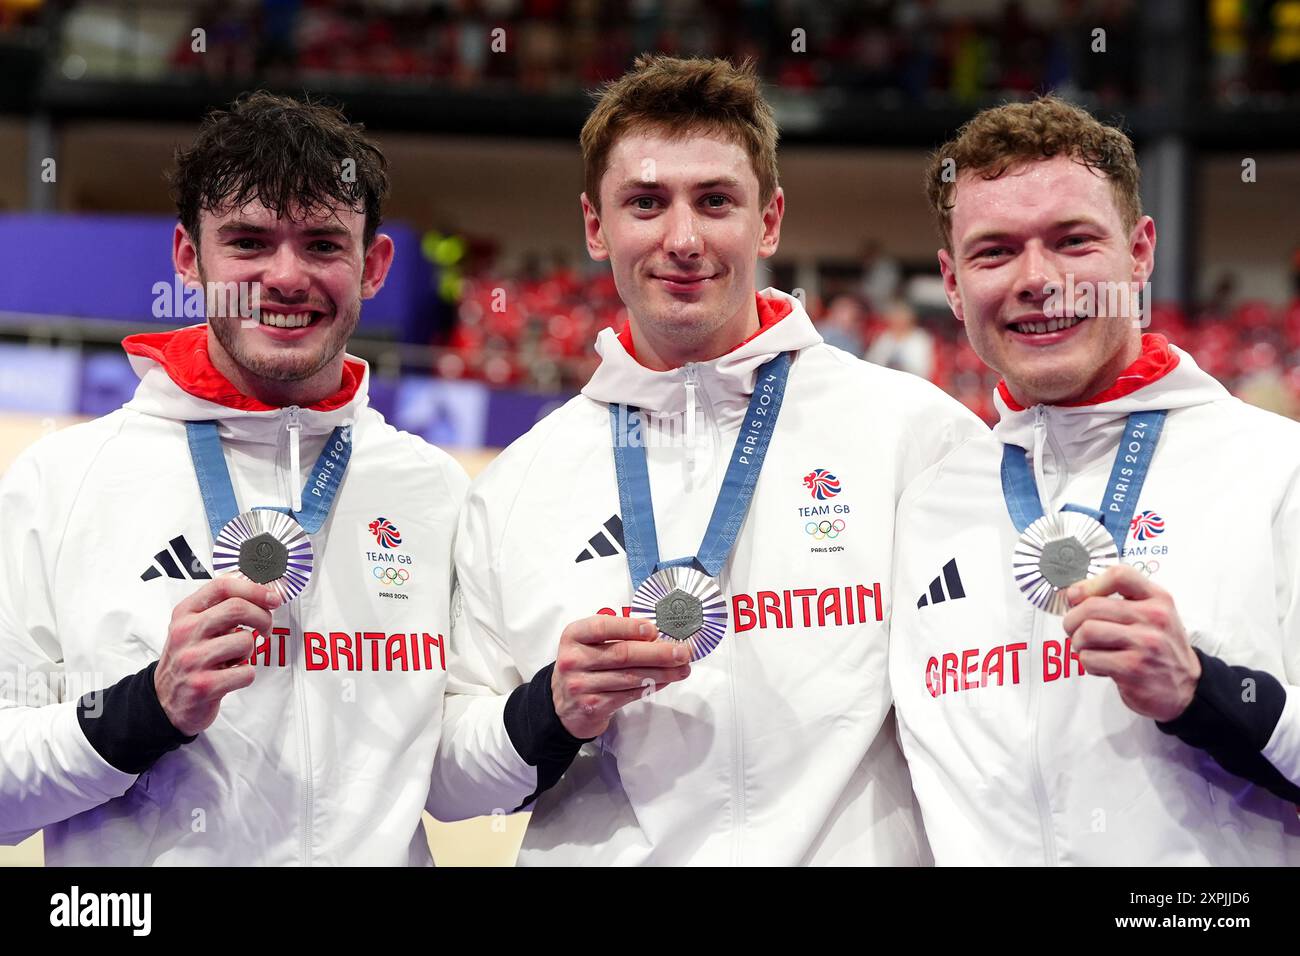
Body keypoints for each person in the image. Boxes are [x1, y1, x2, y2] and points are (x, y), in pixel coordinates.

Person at [430, 55, 986, 865]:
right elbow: (447, 782)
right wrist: (549, 710)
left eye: (715, 201)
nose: (682, 239)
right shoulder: (519, 483)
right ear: (595, 226)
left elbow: (993, 706)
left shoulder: (914, 437)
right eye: (646, 203)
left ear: (769, 220)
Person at [0, 92, 476, 865]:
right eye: (248, 243)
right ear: (189, 259)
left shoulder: (435, 492)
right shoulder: (59, 485)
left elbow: (461, 763)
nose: (285, 278)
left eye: (323, 244)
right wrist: (145, 709)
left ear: (375, 265)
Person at [889, 95, 1300, 864]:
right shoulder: (929, 502)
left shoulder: (1276, 470)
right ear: (950, 281)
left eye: (1073, 241)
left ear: (1139, 252)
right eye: (994, 251)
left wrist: (1200, 690)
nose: (1038, 279)